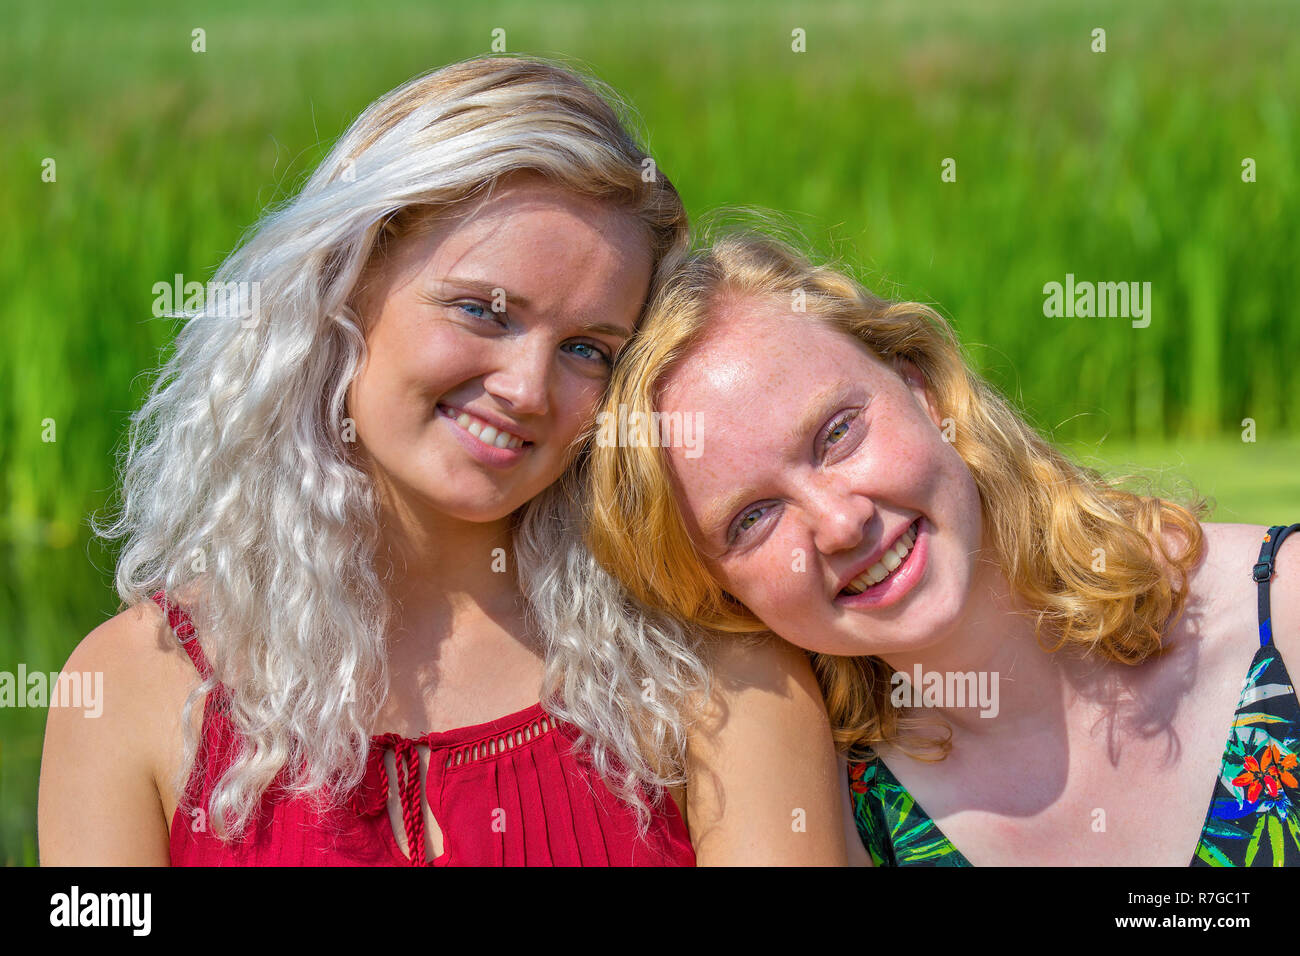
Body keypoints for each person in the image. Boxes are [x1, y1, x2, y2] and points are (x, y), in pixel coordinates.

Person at [38, 60, 845, 866]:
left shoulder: (714, 673)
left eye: (586, 349)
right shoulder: (129, 687)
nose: (528, 389)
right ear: (349, 284)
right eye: (482, 311)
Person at [584, 230, 1300, 866]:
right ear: (718, 589)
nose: (838, 525)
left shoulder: (1282, 612)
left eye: (837, 434)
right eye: (753, 517)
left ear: (921, 387)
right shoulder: (840, 822)